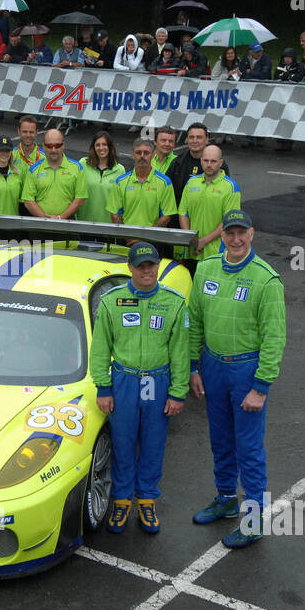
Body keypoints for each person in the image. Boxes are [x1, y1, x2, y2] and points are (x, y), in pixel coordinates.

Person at [188, 210, 286, 548]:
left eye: (241, 233)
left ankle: (255, 518)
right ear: (223, 236)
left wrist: (261, 387)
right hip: (213, 366)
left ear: (252, 233)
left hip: (246, 371)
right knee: (220, 439)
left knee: (248, 447)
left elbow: (274, 338)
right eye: (230, 233)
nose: (235, 239)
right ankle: (227, 498)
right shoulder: (205, 269)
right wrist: (193, 367)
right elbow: (195, 321)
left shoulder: (267, 280)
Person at [89, 241, 190, 533]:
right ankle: (121, 502)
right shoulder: (112, 301)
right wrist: (104, 387)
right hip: (124, 381)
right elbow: (100, 349)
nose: (147, 271)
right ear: (130, 268)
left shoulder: (174, 302)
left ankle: (146, 501)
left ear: (157, 266)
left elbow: (180, 353)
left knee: (153, 444)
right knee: (122, 441)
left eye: (152, 265)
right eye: (141, 265)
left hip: (157, 382)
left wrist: (177, 392)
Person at [178, 144, 242, 269]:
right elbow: (183, 212)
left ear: (220, 163)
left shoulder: (231, 187)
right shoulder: (191, 182)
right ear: (201, 161)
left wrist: (203, 241)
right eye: (206, 160)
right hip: (191, 250)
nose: (209, 164)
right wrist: (191, 239)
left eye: (213, 161)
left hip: (216, 252)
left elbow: (229, 221)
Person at [111, 139, 177, 229]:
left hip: (152, 240)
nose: (142, 156)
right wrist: (128, 237)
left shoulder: (165, 182)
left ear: (153, 155)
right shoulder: (120, 182)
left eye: (146, 153)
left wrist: (146, 236)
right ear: (133, 155)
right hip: (125, 240)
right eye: (138, 153)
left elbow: (167, 216)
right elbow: (115, 214)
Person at [21, 129, 87, 219]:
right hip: (40, 227)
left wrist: (61, 218)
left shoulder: (77, 168)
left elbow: (80, 199)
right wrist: (46, 220)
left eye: (57, 145)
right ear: (43, 146)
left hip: (67, 226)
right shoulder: (33, 169)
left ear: (63, 145)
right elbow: (28, 201)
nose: (53, 149)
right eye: (49, 146)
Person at [79, 131, 126, 224]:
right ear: (93, 148)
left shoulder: (120, 170)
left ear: (110, 147)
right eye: (97, 145)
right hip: (84, 223)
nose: (101, 148)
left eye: (104, 144)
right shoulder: (83, 164)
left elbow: (122, 201)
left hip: (109, 225)